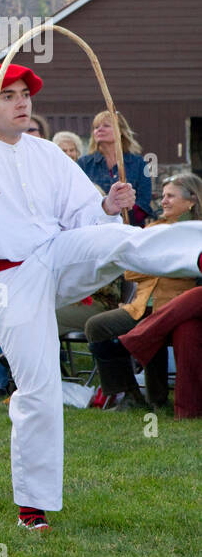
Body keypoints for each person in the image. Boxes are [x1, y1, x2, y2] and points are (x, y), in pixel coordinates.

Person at [0, 63, 202, 531]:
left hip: (55, 253)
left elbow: (81, 211)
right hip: (8, 279)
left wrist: (106, 206)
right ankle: (33, 505)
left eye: (23, 94)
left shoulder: (48, 155)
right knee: (40, 385)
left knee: (122, 239)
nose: (20, 102)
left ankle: (196, 253)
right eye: (7, 96)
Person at [84, 173, 202, 409]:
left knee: (157, 326)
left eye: (171, 196)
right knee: (96, 326)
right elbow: (131, 271)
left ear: (191, 201)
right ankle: (129, 394)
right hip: (141, 304)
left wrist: (157, 262)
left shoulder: (196, 233)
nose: (164, 201)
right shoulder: (153, 229)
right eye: (163, 196)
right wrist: (170, 263)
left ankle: (158, 400)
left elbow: (194, 270)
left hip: (174, 307)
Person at [119, 283, 202, 419]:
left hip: (175, 298)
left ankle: (138, 339)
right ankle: (189, 411)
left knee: (198, 295)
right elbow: (131, 273)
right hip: (149, 302)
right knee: (186, 330)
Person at [78, 110, 154, 226]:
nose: (99, 129)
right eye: (96, 127)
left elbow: (144, 202)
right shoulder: (84, 164)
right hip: (95, 229)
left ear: (121, 131)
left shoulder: (139, 163)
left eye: (106, 125)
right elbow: (79, 200)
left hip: (130, 229)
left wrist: (123, 219)